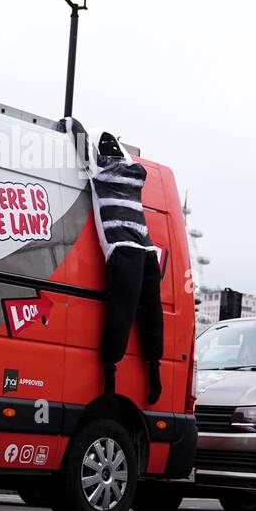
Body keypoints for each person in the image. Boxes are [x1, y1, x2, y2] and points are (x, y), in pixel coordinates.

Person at [66, 117, 164, 404]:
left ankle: (110, 373)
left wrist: (69, 121)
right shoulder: (134, 169)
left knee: (122, 311)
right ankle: (152, 369)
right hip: (146, 245)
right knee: (151, 311)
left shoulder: (97, 168)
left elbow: (78, 134)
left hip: (123, 245)